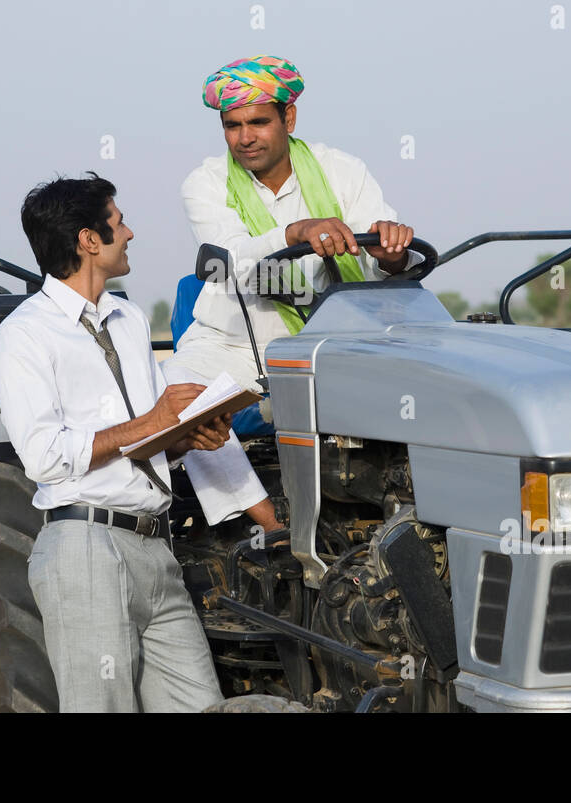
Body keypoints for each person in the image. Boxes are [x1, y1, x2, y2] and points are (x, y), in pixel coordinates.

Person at [0, 173, 235, 713]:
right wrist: (154, 421)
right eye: (119, 222)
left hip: (156, 548)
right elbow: (45, 456)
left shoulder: (128, 319)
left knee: (203, 706)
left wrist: (186, 436)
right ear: (88, 240)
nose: (131, 233)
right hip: (87, 548)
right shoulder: (22, 337)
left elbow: (139, 441)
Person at [163, 55, 419, 531]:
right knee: (176, 395)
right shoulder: (205, 183)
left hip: (332, 341)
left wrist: (391, 254)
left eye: (258, 122)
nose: (245, 137)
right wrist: (295, 232)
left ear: (289, 118)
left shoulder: (343, 170)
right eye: (233, 125)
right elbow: (230, 259)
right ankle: (271, 524)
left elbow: (383, 266)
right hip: (234, 346)